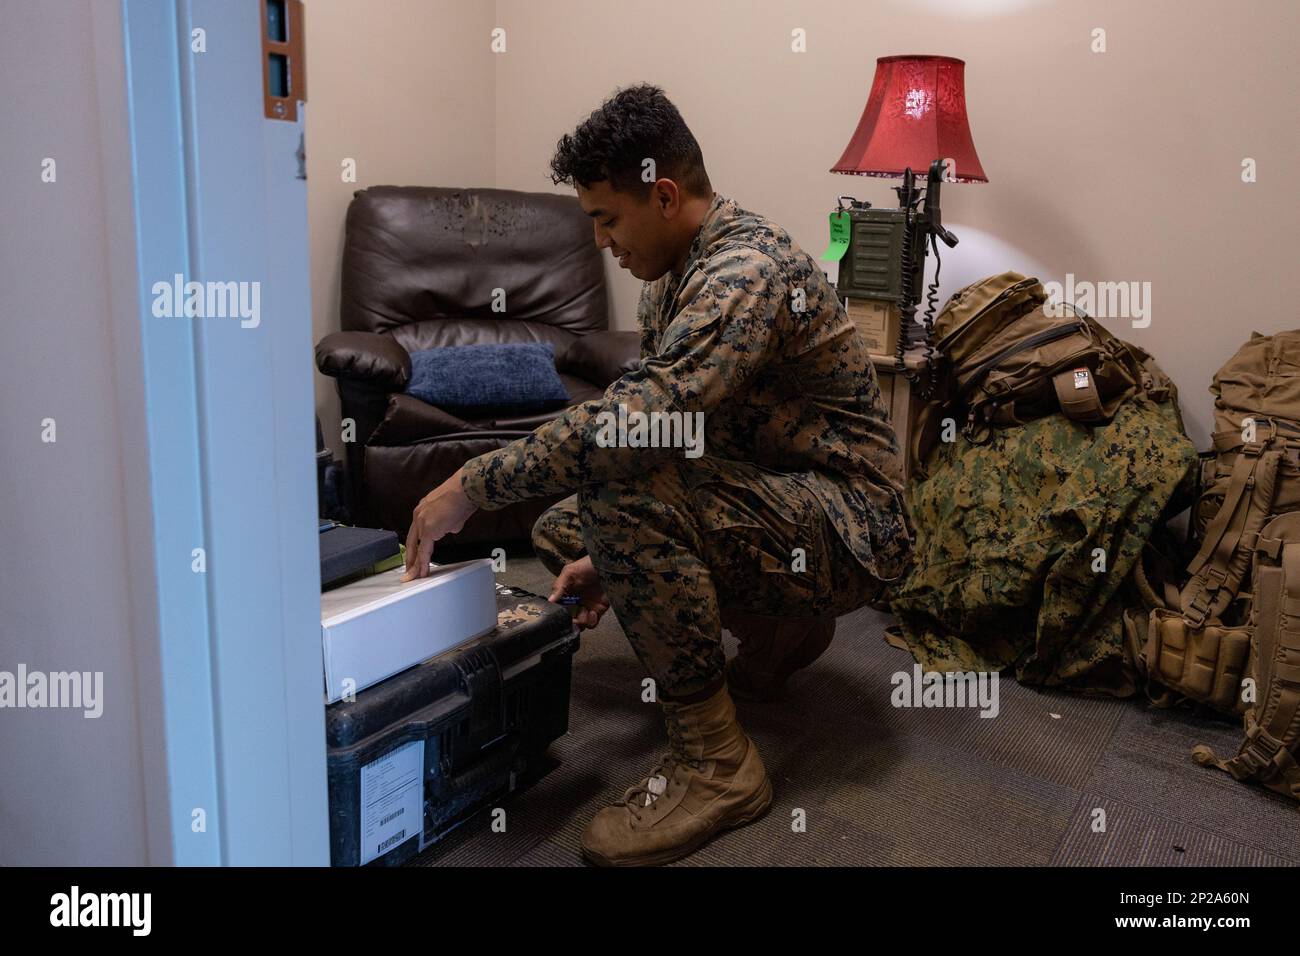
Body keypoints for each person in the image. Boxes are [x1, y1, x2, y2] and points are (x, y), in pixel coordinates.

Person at [401, 83, 915, 866]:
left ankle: (720, 767)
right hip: (782, 502)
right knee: (567, 526)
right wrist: (624, 557)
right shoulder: (672, 279)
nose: (601, 241)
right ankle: (779, 632)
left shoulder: (744, 273)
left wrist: (468, 487)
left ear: (665, 194)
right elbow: (676, 435)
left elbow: (634, 429)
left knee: (619, 492)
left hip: (856, 525)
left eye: (607, 218)